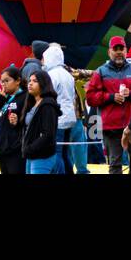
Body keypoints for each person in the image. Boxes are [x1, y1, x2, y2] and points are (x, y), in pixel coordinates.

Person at [86, 35, 131, 173]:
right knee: (115, 164)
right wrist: (111, 97)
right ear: (109, 52)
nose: (119, 51)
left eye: (121, 48)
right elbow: (90, 98)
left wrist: (130, 94)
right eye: (115, 49)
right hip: (111, 128)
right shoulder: (100, 72)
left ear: (126, 51)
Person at [41, 43, 78, 173]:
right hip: (69, 117)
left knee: (55, 153)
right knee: (64, 152)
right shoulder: (68, 75)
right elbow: (73, 96)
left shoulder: (51, 75)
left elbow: (48, 98)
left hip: (57, 119)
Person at [22, 69, 62, 174]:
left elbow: (48, 134)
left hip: (42, 156)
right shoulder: (33, 104)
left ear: (43, 83)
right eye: (29, 80)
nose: (30, 83)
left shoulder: (47, 105)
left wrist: (30, 148)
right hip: (32, 155)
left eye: (35, 81)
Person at [0, 65, 27, 175]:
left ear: (18, 81)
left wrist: (18, 121)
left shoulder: (24, 97)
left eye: (7, 80)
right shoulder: (3, 98)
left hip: (15, 149)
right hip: (1, 147)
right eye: (1, 81)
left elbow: (29, 120)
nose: (3, 84)